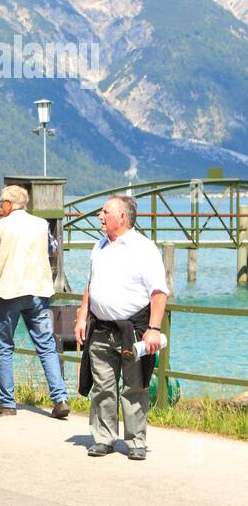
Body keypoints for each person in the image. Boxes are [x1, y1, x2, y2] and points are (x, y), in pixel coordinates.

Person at [74, 195, 169, 461]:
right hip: (101, 328)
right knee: (103, 386)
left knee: (134, 387)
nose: (100, 217)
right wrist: (82, 317)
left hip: (133, 331)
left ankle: (136, 440)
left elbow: (159, 292)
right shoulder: (100, 246)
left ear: (122, 217)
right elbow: (90, 286)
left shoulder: (144, 248)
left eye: (105, 212)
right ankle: (104, 438)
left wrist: (154, 328)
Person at [0, 185, 71, 418]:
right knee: (46, 345)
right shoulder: (41, 224)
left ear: (8, 204)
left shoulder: (1, 226)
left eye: (1, 203)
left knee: (4, 346)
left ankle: (7, 402)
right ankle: (60, 398)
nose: (0, 207)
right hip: (38, 290)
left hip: (10, 291)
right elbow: (54, 250)